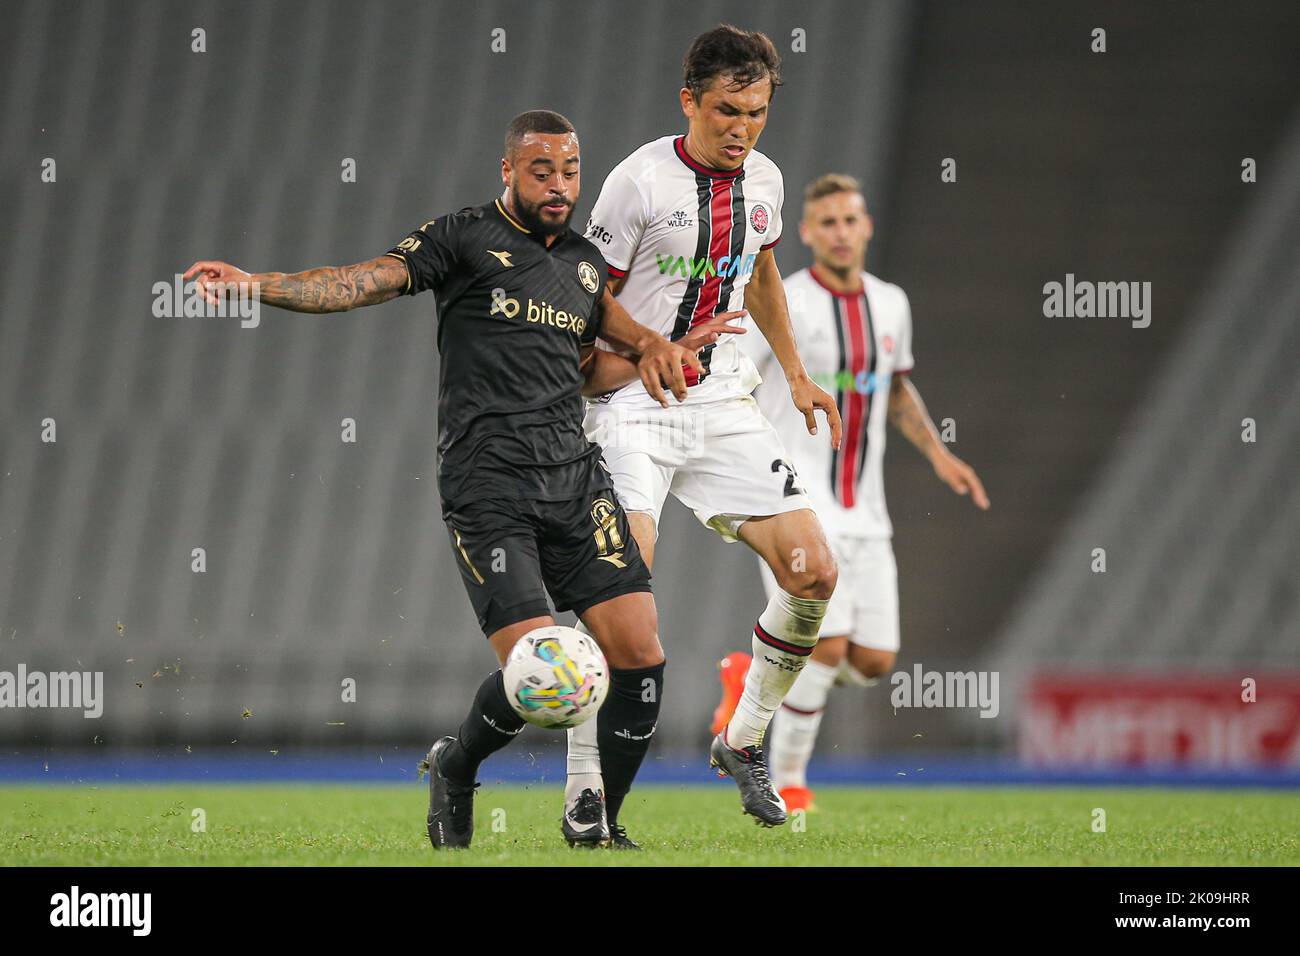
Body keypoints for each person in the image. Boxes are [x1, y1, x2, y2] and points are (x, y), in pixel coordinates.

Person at [184, 110, 740, 850]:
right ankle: (457, 761)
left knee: (640, 649)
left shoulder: (579, 262)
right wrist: (258, 284)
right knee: (543, 675)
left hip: (573, 478)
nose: (559, 185)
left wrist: (663, 351)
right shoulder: (463, 237)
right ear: (507, 171)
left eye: (570, 170)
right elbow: (359, 282)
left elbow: (604, 353)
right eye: (542, 170)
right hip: (489, 485)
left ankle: (600, 824)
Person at [561, 24, 845, 840]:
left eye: (756, 112)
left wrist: (792, 373)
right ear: (689, 101)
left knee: (814, 572)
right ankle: (587, 792)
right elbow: (585, 303)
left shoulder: (766, 180)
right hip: (632, 406)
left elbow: (759, 272)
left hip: (722, 402)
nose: (742, 128)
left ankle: (743, 738)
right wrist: (621, 368)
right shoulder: (637, 183)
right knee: (623, 599)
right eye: (726, 110)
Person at [713, 173, 990, 811]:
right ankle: (788, 781)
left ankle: (746, 675)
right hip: (799, 500)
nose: (840, 232)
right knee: (825, 643)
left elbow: (892, 389)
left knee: (871, 661)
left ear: (865, 228)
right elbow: (736, 376)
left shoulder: (891, 303)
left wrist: (939, 455)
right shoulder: (785, 301)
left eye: (850, 220)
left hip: (867, 508)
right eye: (827, 222)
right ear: (806, 233)